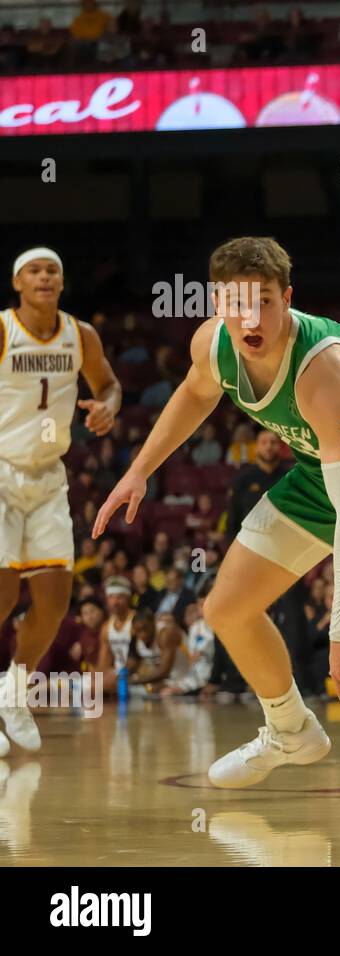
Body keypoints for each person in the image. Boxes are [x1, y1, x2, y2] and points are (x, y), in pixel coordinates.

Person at [94, 237, 340, 819]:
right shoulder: (212, 344)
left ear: (287, 299)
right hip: (320, 464)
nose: (251, 317)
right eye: (237, 302)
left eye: (264, 301)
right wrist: (139, 471)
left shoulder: (321, 369)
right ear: (216, 303)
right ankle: (290, 728)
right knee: (226, 608)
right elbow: (196, 394)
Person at [0, 248, 121, 757]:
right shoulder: (4, 330)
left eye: (52, 271)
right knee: (4, 598)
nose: (45, 277)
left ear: (62, 283)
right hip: (2, 472)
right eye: (35, 271)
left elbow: (109, 385)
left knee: (53, 602)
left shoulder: (81, 335)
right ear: (18, 284)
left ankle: (12, 692)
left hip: (50, 476)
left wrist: (108, 408)